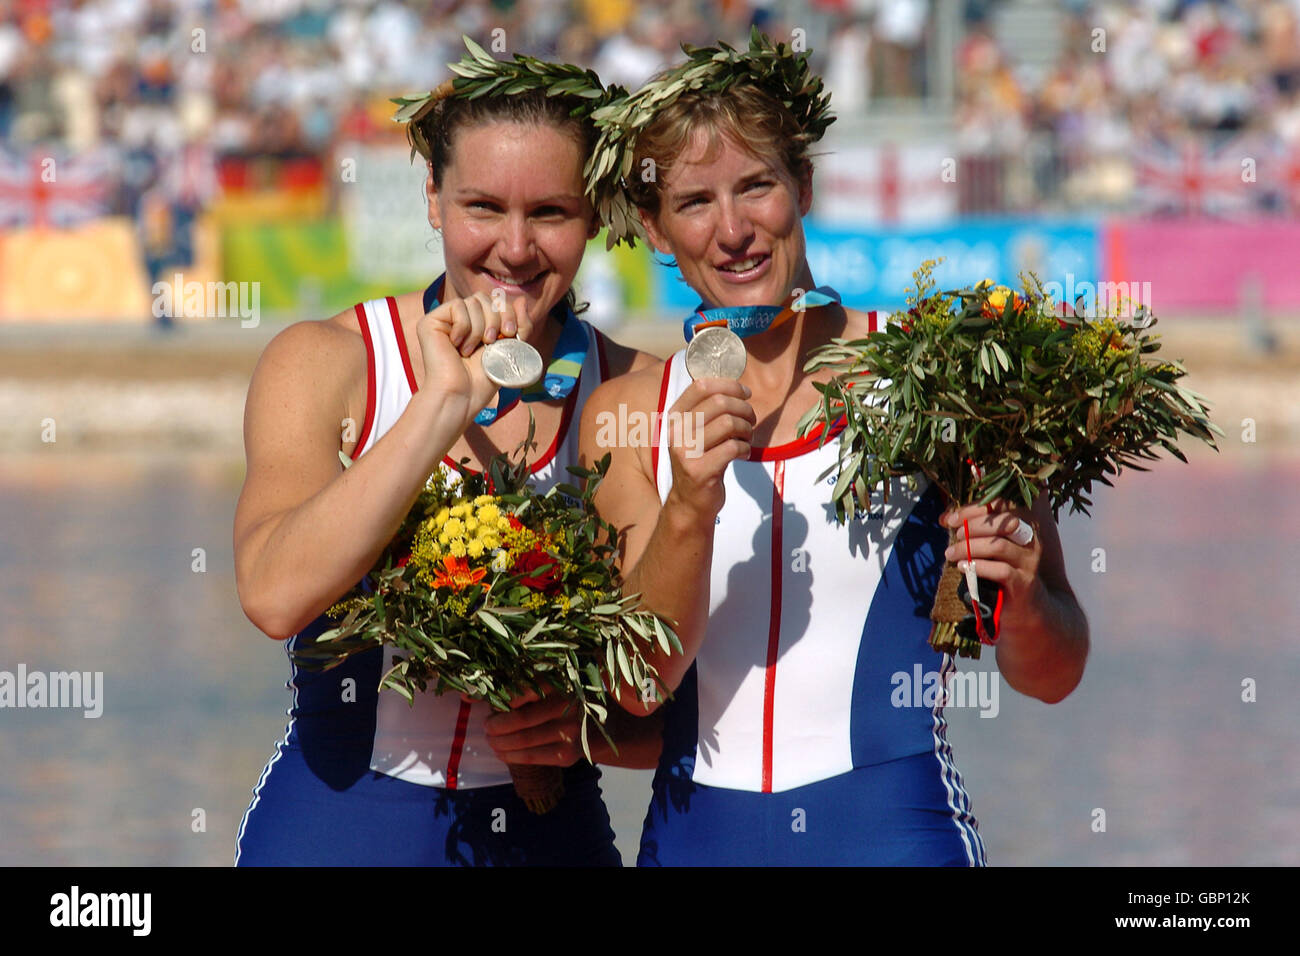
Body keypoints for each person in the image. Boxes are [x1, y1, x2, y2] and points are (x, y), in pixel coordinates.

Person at [579, 33, 1090, 866]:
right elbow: (632, 694)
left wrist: (1023, 597)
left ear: (803, 185)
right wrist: (687, 509)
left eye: (757, 186)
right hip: (694, 842)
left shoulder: (944, 380)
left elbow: (1050, 672)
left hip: (895, 833)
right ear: (655, 227)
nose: (735, 230)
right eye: (697, 202)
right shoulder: (626, 416)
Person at [232, 45, 660, 866]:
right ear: (431, 198)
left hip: (549, 832)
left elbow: (696, 708)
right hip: (339, 831)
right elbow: (273, 596)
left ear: (597, 214)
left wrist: (594, 727)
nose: (515, 246)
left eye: (551, 212)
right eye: (482, 207)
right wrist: (437, 408)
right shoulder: (327, 361)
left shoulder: (635, 390)